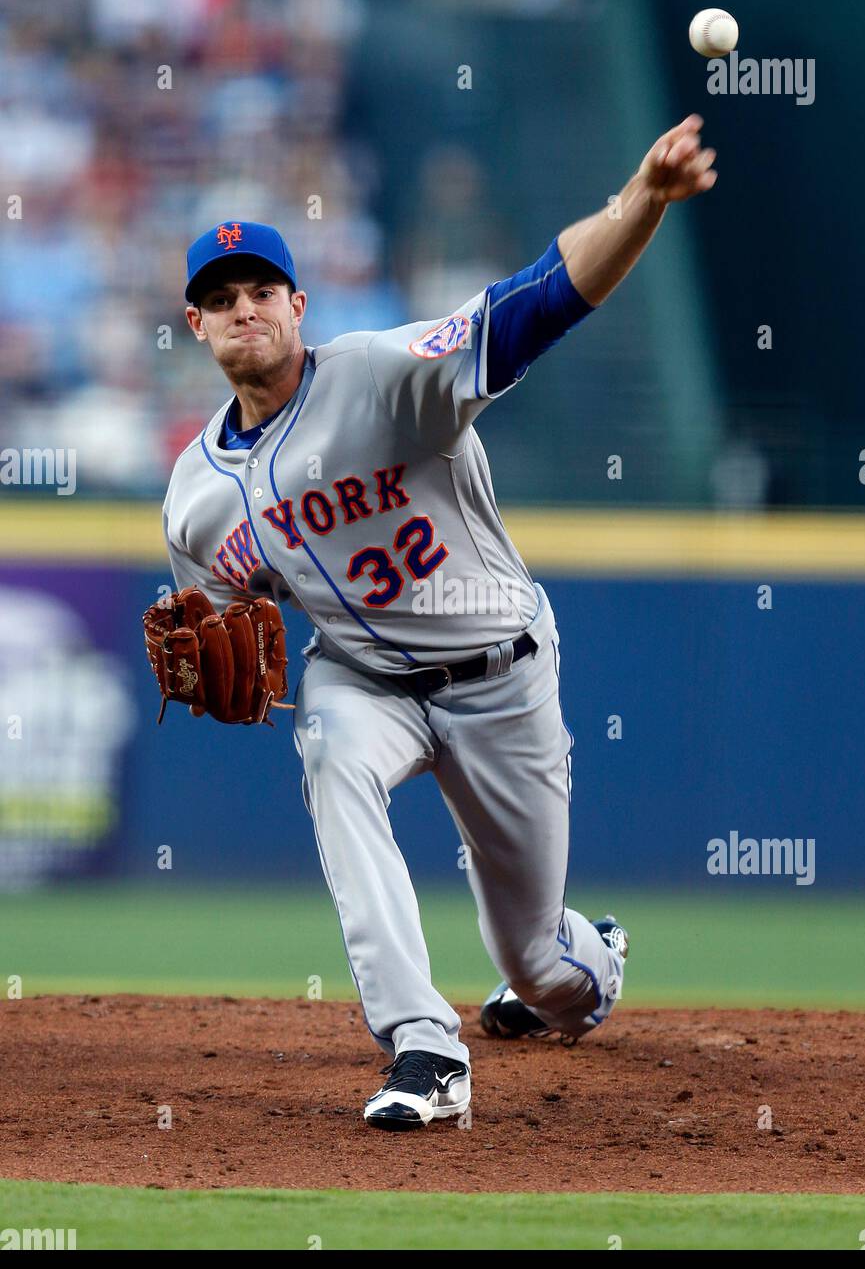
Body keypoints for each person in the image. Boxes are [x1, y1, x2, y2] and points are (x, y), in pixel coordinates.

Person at [162, 115, 717, 1130]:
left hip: (497, 672)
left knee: (544, 973)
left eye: (258, 291)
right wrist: (209, 661)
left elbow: (541, 301)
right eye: (217, 299)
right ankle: (423, 1046)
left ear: (297, 304)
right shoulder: (194, 495)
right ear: (195, 325)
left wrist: (639, 199)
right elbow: (218, 624)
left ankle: (586, 957)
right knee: (327, 753)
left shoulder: (384, 374)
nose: (241, 309)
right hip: (361, 681)